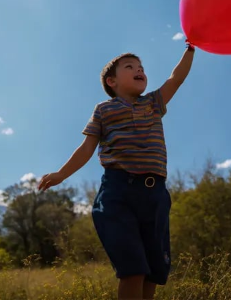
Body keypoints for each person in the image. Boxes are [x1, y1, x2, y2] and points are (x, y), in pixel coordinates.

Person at [38, 44, 196, 300]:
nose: (139, 70)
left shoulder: (154, 103)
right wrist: (61, 174)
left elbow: (176, 78)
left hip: (155, 194)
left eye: (141, 67)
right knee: (133, 269)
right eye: (130, 67)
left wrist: (191, 48)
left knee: (152, 273)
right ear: (112, 81)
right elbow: (87, 148)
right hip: (119, 193)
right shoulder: (104, 110)